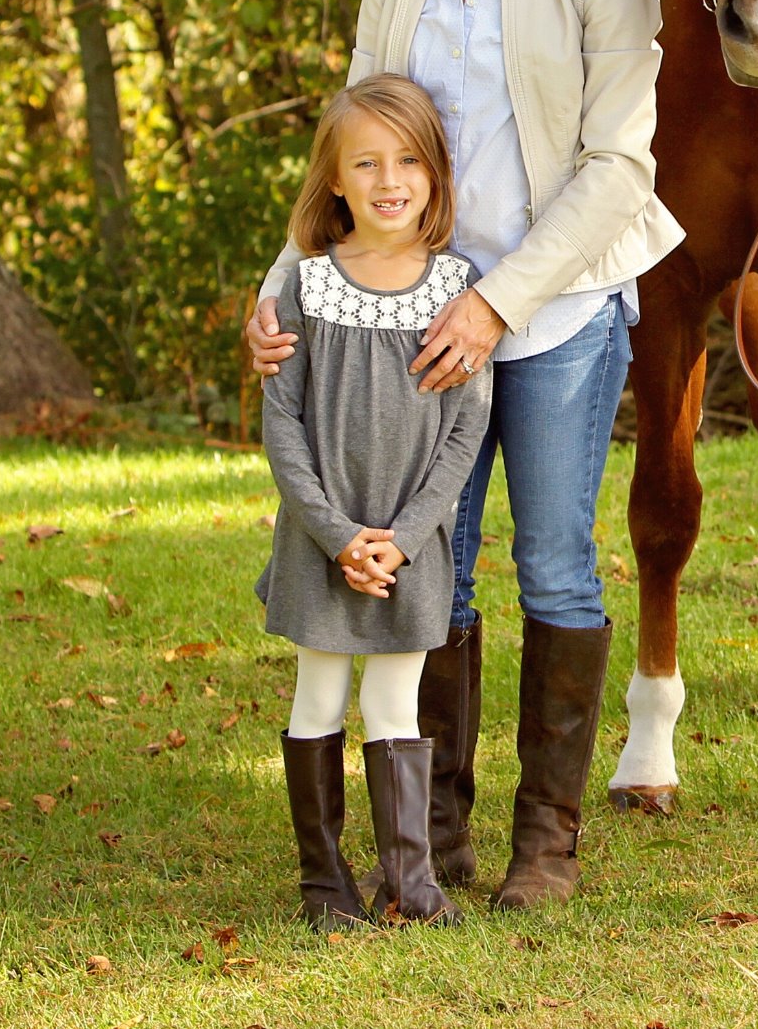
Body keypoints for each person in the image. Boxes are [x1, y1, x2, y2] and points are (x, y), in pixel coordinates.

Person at [245, 0, 683, 909]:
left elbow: (620, 169)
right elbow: (353, 134)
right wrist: (284, 289)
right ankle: (430, 835)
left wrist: (497, 300)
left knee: (552, 560)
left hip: (552, 310)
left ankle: (547, 838)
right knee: (439, 563)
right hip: (406, 311)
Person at [260, 75, 490, 930]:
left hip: (408, 546)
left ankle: (411, 883)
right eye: (366, 162)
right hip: (323, 544)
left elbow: (466, 433)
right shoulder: (307, 287)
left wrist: (403, 536)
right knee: (317, 697)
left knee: (396, 704)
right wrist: (336, 536)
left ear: (433, 174)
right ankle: (325, 887)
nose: (389, 179)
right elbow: (281, 424)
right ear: (334, 180)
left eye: (407, 161)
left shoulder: (458, 291)